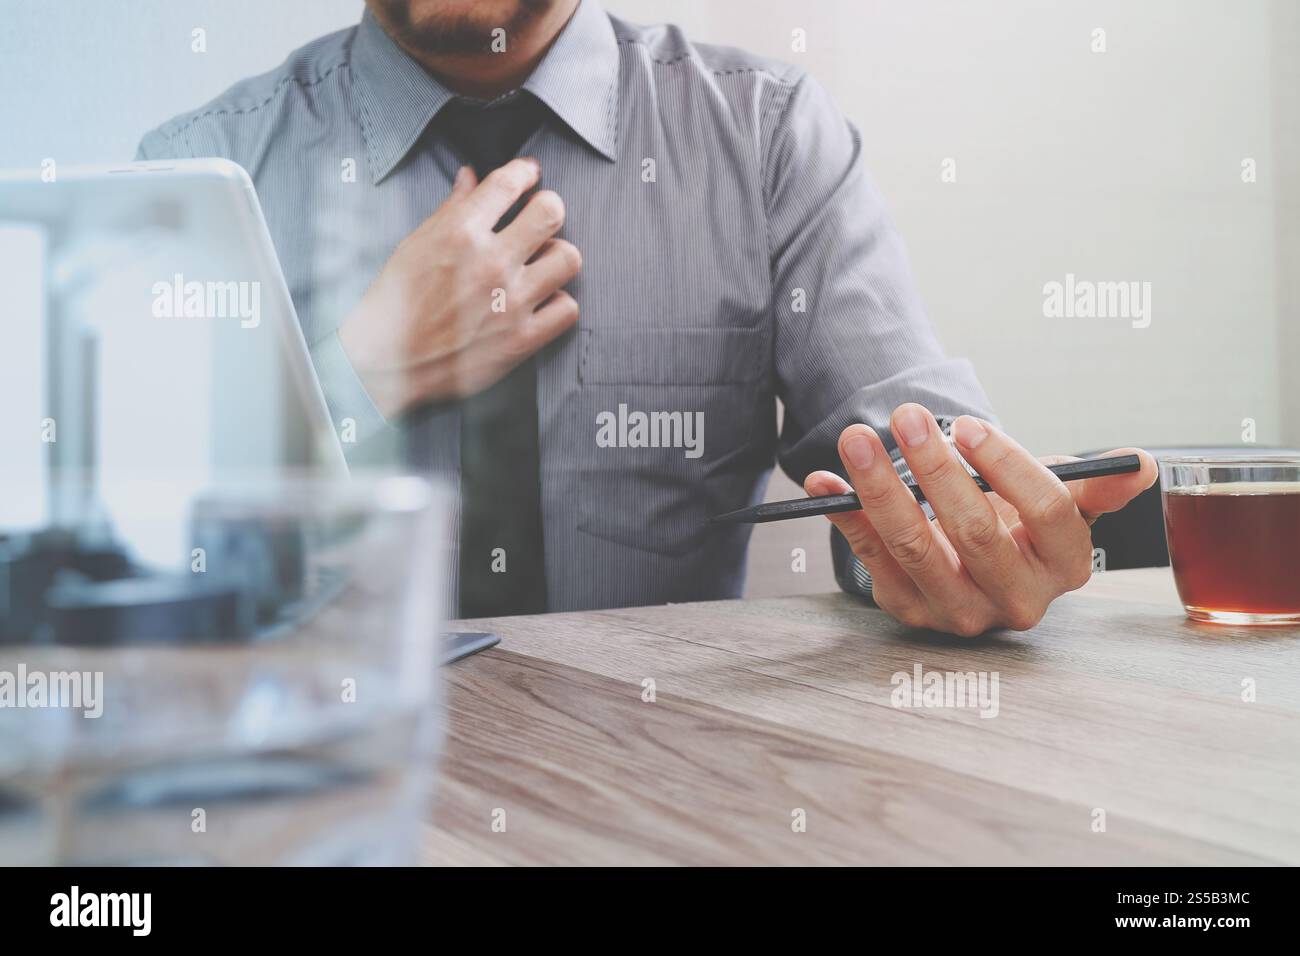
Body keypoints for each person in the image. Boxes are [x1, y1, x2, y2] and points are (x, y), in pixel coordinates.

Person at [136, 0, 1156, 634]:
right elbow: (127, 566)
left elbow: (900, 461)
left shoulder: (767, 140)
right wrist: (352, 379)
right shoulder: (193, 179)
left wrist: (947, 548)